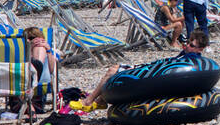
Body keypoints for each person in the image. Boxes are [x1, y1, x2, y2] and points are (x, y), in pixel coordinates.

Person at [72, 31, 210, 111]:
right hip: (156, 69)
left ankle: (89, 101)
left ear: (200, 49)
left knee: (112, 70)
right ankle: (101, 99)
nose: (186, 46)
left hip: (154, 74)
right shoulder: (190, 57)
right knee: (116, 72)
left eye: (191, 45)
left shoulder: (191, 60)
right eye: (187, 43)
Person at [23, 26, 53, 113]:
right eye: (28, 38)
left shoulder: (45, 49)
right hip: (27, 81)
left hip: (37, 81)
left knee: (40, 49)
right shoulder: (23, 50)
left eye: (33, 38)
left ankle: (36, 71)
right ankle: (35, 71)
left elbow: (52, 71)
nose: (29, 40)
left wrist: (48, 51)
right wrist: (30, 48)